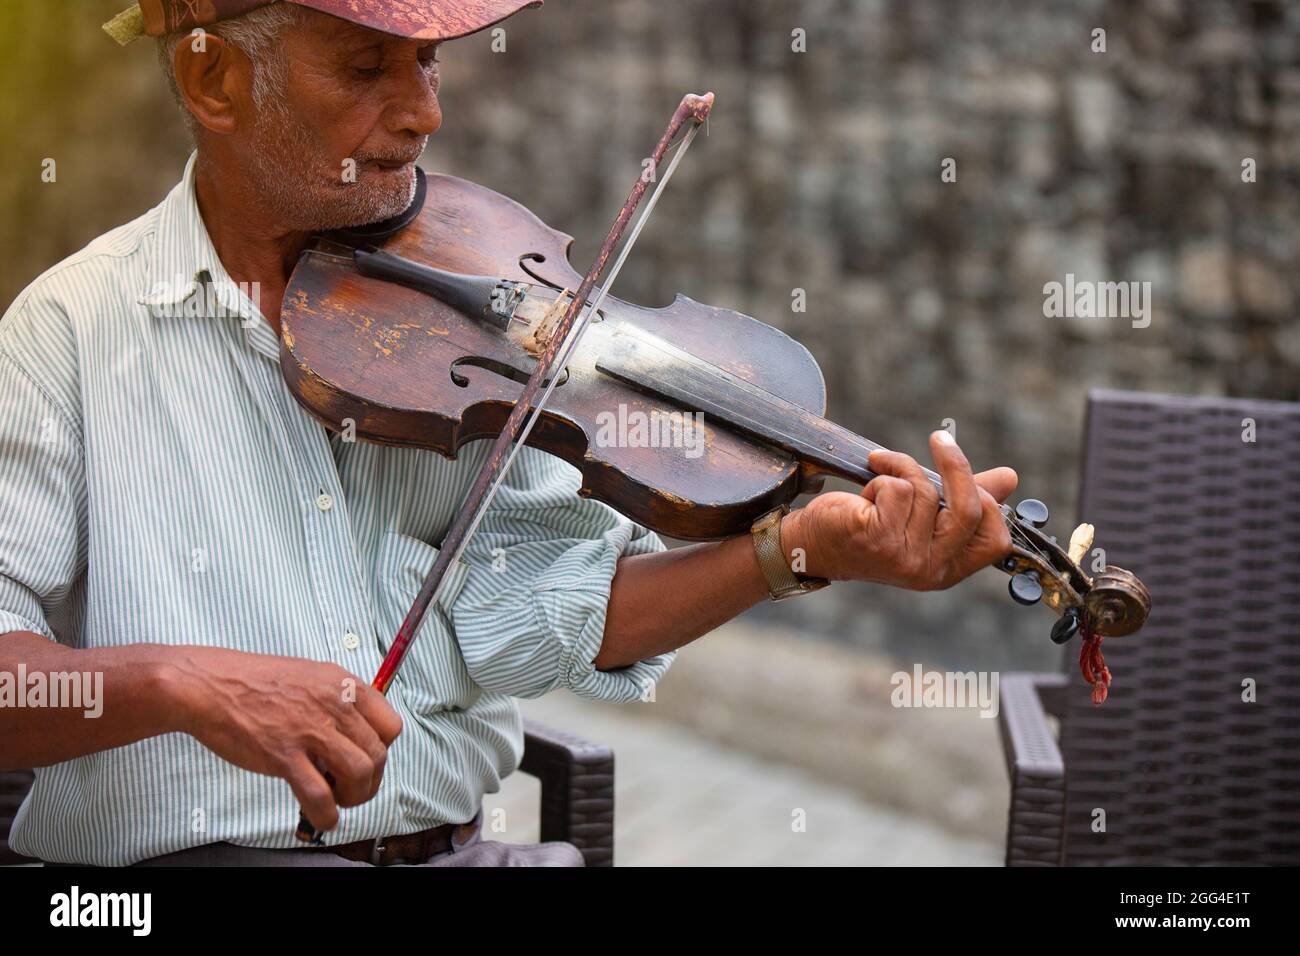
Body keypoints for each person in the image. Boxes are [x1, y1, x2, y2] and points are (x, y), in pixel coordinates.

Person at [0, 0, 1016, 866]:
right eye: (367, 68)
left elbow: (547, 606)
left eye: (428, 62)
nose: (423, 114)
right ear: (213, 79)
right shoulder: (69, 332)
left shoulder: (474, 320)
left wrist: (796, 546)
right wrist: (184, 683)